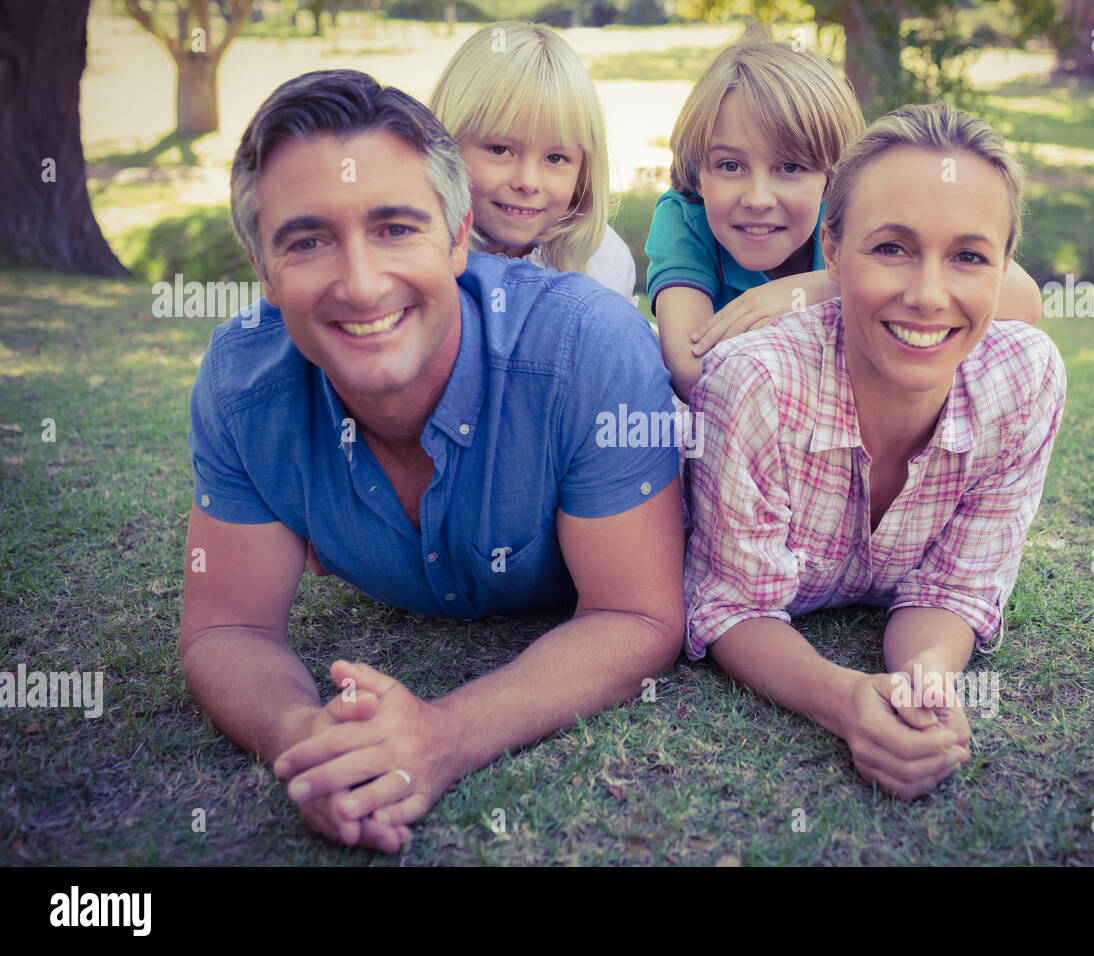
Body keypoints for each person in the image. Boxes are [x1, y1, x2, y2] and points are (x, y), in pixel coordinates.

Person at [181, 69, 685, 853]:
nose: (360, 282)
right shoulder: (240, 384)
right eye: (308, 240)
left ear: (458, 239)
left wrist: (441, 736)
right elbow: (228, 626)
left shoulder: (590, 348)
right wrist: (316, 744)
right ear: (262, 269)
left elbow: (637, 615)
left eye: (395, 229)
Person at [683, 102, 1067, 800]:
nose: (927, 295)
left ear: (1005, 267)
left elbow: (952, 588)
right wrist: (847, 700)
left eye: (969, 257)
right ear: (832, 254)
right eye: (891, 248)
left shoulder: (1025, 378)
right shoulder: (757, 382)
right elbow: (734, 606)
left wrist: (924, 683)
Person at [647, 40, 1045, 402]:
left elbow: (1023, 298)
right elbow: (692, 372)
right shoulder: (686, 219)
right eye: (730, 165)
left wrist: (810, 289)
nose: (758, 198)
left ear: (831, 178)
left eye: (790, 167)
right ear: (698, 169)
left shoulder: (850, 210)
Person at [429, 21, 638, 305]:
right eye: (500, 150)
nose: (528, 181)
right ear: (447, 144)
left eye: (555, 158)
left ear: (583, 170)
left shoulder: (600, 263)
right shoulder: (418, 252)